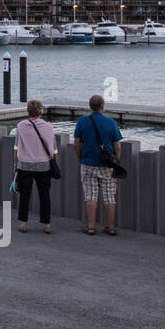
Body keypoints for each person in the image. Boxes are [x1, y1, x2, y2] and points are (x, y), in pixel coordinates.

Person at [73, 94, 124, 236]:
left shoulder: (82, 122)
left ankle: (91, 226)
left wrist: (80, 159)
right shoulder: (111, 122)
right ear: (103, 106)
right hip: (107, 165)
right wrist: (116, 163)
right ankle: (110, 227)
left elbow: (76, 144)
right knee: (109, 196)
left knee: (91, 195)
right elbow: (118, 146)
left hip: (88, 163)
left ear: (90, 106)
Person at [12, 99, 56, 234]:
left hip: (24, 165)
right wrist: (55, 164)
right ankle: (47, 225)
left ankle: (23, 223)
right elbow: (54, 149)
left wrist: (15, 164)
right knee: (44, 195)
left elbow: (16, 148)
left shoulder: (20, 126)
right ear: (41, 111)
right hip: (44, 166)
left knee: (25, 195)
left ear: (28, 111)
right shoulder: (48, 127)